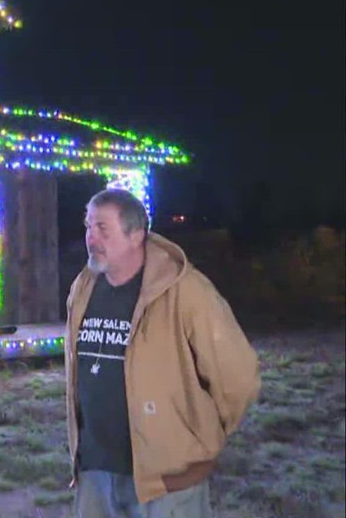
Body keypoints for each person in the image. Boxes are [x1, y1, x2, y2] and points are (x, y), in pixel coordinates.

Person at [65, 189, 260, 518]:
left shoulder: (185, 291)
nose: (91, 238)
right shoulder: (83, 288)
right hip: (95, 472)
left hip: (168, 481)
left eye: (102, 228)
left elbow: (239, 377)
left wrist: (203, 439)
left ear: (136, 235)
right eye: (88, 227)